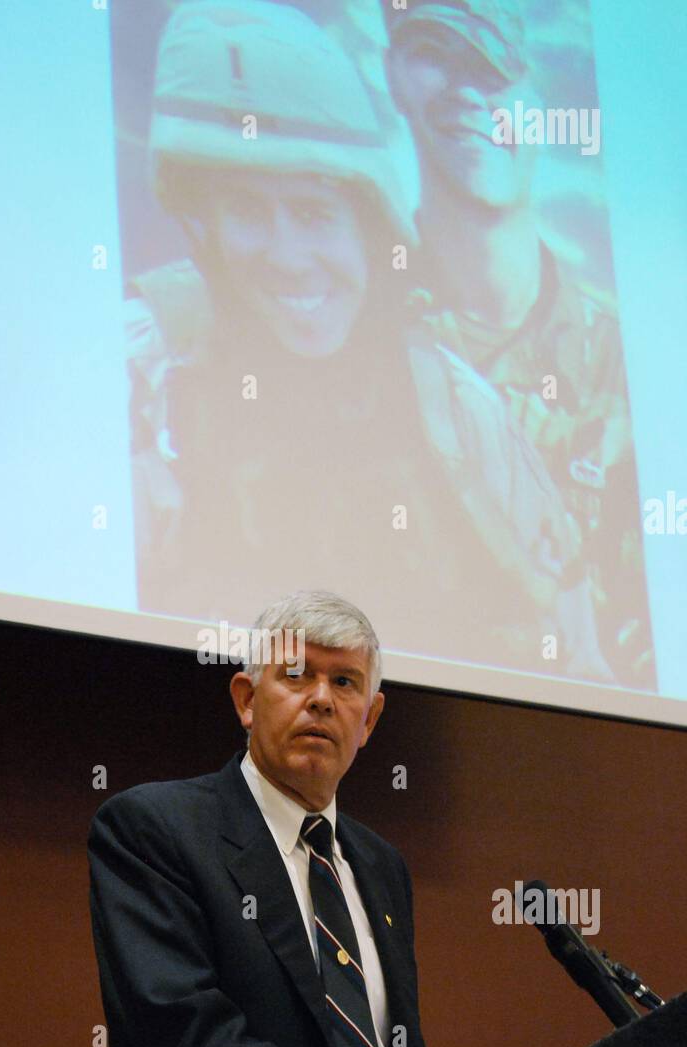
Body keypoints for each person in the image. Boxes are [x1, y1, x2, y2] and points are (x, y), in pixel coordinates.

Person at [126, 0, 614, 682]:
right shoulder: (142, 377)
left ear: (368, 224)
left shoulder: (456, 408)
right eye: (245, 210)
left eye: (314, 213)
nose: (286, 254)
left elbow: (576, 659)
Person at [88, 588, 479, 1047]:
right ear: (245, 698)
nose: (321, 699)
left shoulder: (380, 865)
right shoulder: (155, 829)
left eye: (345, 682)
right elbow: (183, 1032)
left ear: (371, 720)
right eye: (296, 675)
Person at [380, 0, 656, 688]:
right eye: (437, 58)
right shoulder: (355, 337)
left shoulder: (635, 365)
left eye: (494, 68)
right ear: (395, 78)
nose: (466, 93)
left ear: (541, 99)